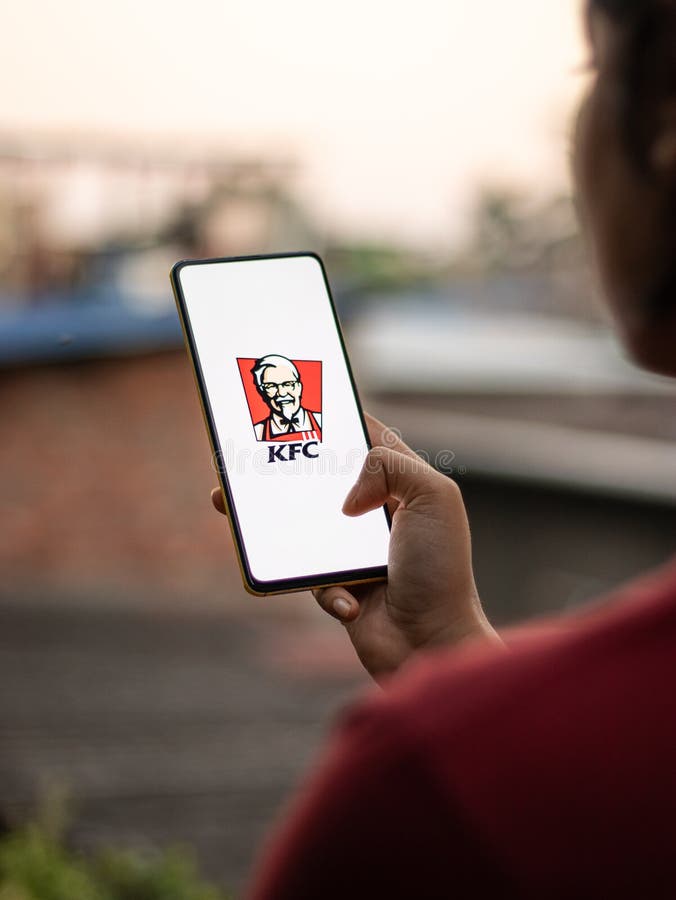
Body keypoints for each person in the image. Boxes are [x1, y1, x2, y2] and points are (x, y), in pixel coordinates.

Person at [213, 0, 676, 895]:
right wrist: (446, 645)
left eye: (592, 73)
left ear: (662, 128)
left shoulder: (423, 793)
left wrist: (460, 717)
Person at [250, 354, 322, 442]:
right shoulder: (257, 432)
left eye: (288, 384)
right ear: (262, 392)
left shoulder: (321, 421)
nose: (282, 393)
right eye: (271, 386)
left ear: (299, 387)